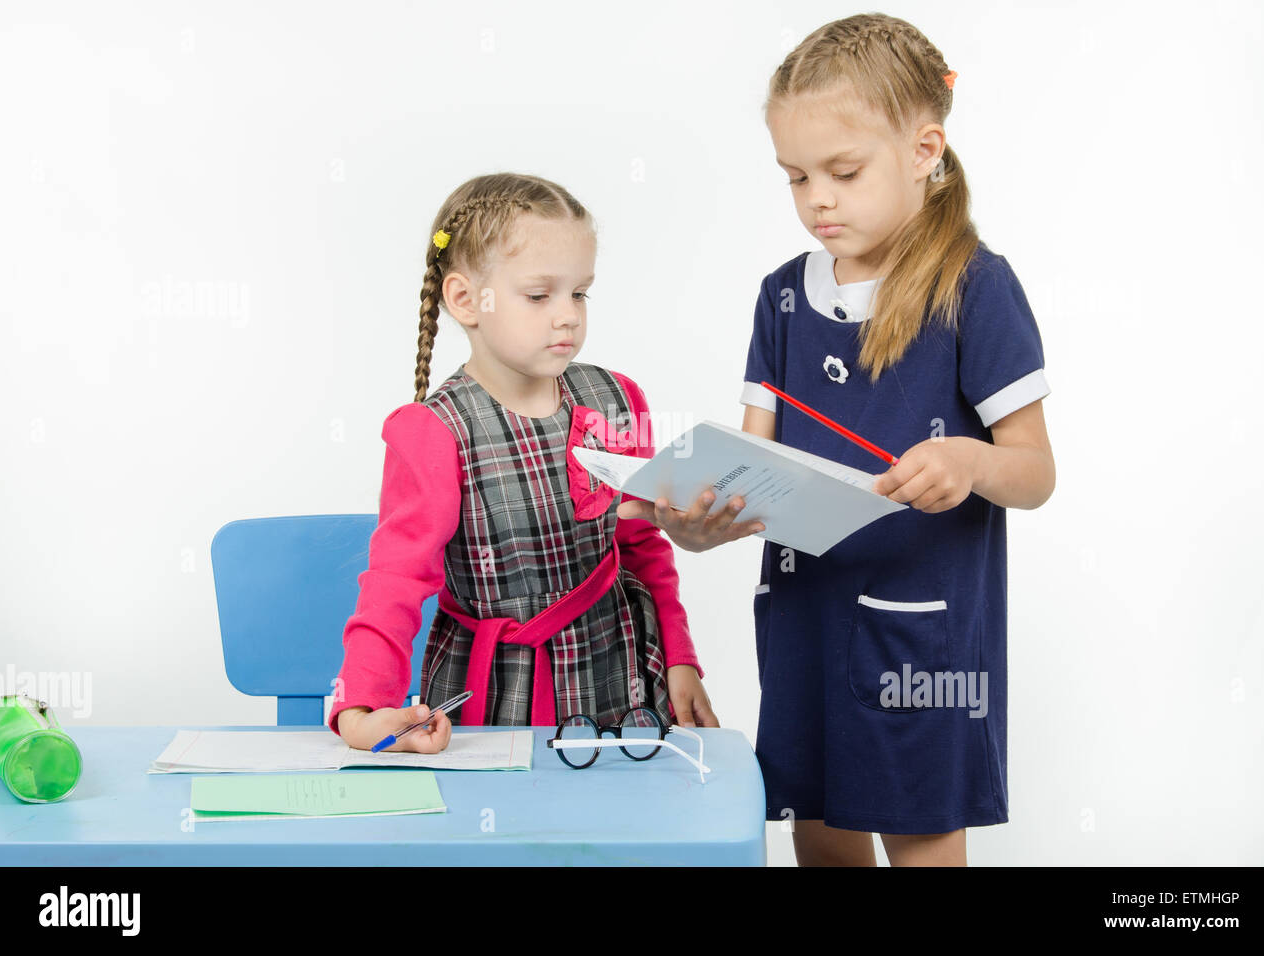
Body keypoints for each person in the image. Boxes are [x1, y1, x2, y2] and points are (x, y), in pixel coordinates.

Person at [618, 13, 1055, 866]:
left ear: (926, 149)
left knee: (920, 831)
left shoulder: (976, 286)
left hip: (918, 633)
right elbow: (755, 467)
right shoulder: (781, 296)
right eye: (795, 177)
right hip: (804, 619)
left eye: (844, 172)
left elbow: (1035, 472)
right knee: (818, 833)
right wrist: (699, 520)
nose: (818, 199)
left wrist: (969, 462)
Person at [330, 172, 716, 755]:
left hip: (620, 674)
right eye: (539, 296)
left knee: (621, 835)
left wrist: (681, 660)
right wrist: (362, 710)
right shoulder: (434, 431)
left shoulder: (616, 399)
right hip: (492, 690)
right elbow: (396, 580)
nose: (567, 316)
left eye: (579, 293)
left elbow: (643, 550)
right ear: (465, 300)